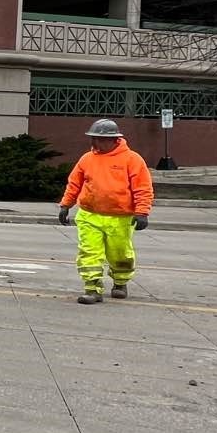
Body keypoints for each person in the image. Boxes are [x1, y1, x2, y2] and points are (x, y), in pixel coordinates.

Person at [57, 118, 153, 305]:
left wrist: (142, 212)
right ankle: (92, 288)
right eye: (93, 138)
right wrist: (65, 205)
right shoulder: (87, 159)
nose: (95, 142)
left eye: (99, 139)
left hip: (120, 217)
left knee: (120, 253)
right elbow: (74, 183)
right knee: (89, 252)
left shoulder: (132, 159)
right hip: (89, 215)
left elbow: (143, 188)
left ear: (114, 140)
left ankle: (120, 282)